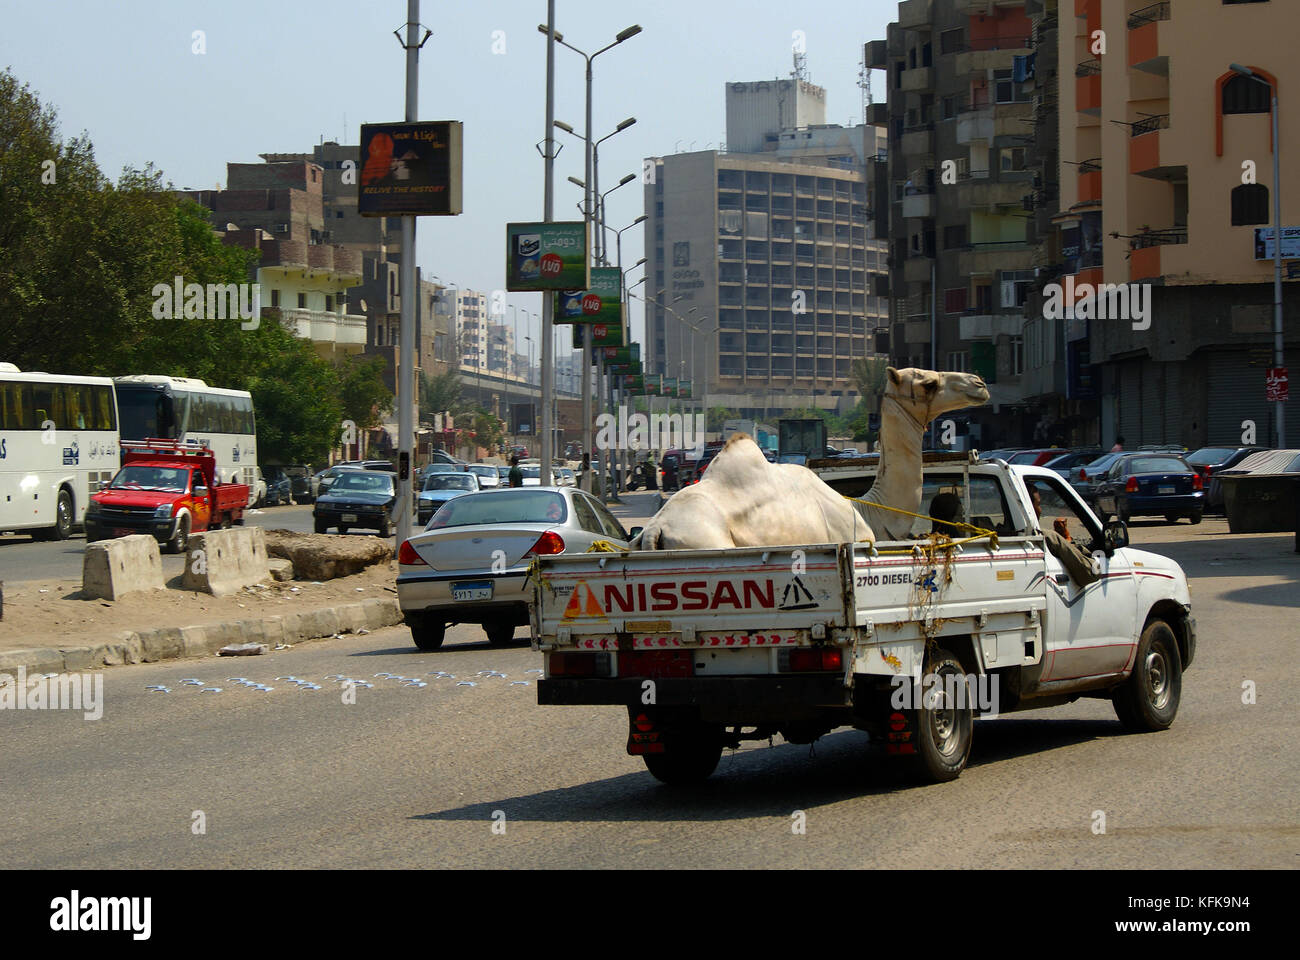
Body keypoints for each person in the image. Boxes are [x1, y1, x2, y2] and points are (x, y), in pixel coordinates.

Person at [1029, 486, 1100, 587]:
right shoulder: (1050, 537)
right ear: (1029, 508)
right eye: (1038, 504)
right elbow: (1091, 572)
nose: (1040, 510)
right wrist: (1066, 541)